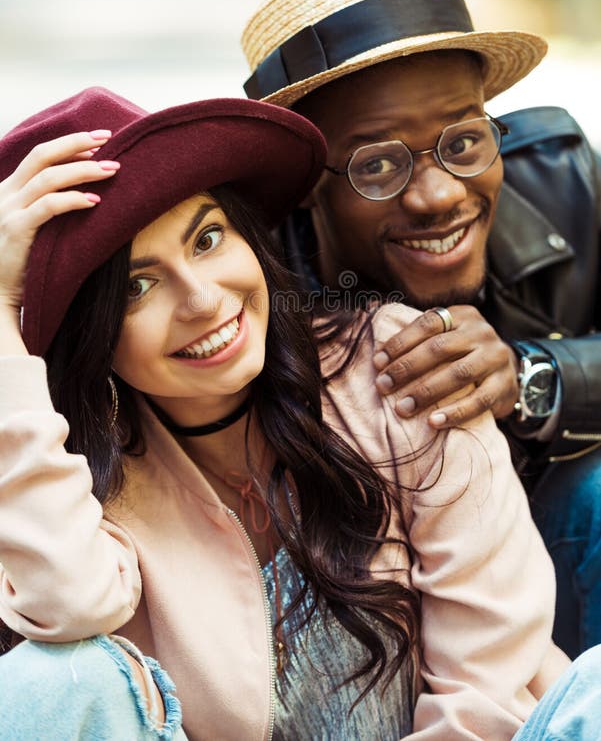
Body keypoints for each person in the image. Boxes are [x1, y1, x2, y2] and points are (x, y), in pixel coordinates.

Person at [0, 84, 576, 740]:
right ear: (90, 336)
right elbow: (69, 610)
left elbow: (487, 684)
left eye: (208, 238)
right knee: (48, 681)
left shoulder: (397, 362)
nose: (202, 299)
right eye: (137, 286)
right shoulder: (73, 483)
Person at [241, 0, 601, 659]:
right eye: (376, 163)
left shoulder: (562, 178)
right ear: (308, 179)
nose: (438, 196)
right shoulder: (248, 272)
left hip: (553, 541)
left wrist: (527, 376)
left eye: (464, 141)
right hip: (362, 598)